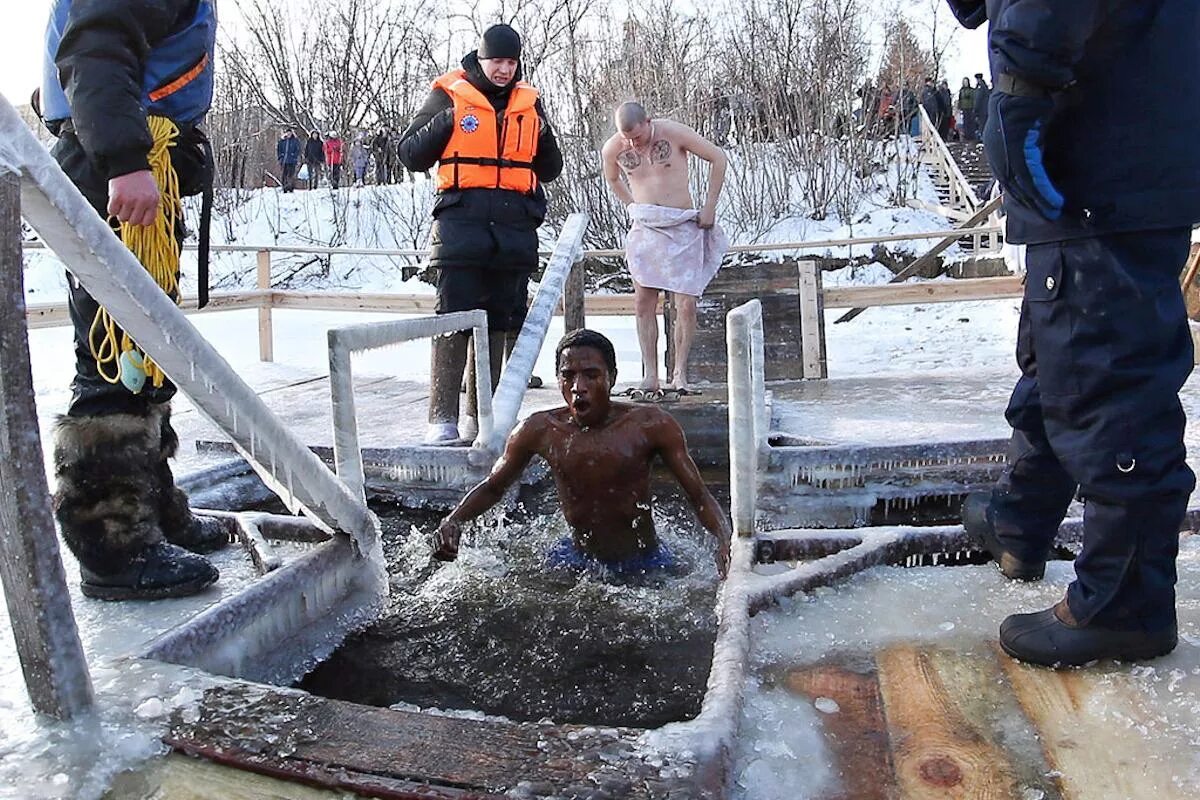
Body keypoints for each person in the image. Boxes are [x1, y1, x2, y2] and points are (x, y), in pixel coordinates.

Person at [948, 0, 1200, 667]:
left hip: (1106, 158)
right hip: (1104, 148)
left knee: (1107, 379)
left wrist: (1022, 89)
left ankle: (1123, 603)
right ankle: (1021, 522)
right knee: (1057, 358)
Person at [40, 0, 229, 600]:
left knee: (147, 359)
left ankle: (152, 509)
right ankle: (110, 544)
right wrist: (124, 160)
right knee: (111, 357)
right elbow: (94, 49)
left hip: (145, 161)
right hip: (117, 170)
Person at [434, 329, 731, 578]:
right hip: (576, 558)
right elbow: (494, 486)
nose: (579, 388)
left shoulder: (651, 425)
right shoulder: (539, 430)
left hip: (645, 561)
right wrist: (454, 520)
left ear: (611, 377)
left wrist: (725, 540)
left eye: (591, 375)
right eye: (569, 376)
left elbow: (699, 495)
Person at [398, 23, 563, 444]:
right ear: (481, 58)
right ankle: (441, 420)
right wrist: (448, 122)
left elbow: (549, 169)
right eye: (497, 61)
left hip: (513, 233)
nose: (504, 70)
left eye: (511, 62)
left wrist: (543, 137)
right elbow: (410, 154)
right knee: (453, 319)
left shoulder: (530, 103)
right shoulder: (449, 94)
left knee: (498, 323)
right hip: (460, 231)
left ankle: (479, 418)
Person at [600, 102, 728, 394]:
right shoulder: (613, 148)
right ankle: (651, 374)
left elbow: (718, 158)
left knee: (686, 303)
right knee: (644, 301)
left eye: (637, 136)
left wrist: (710, 207)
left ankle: (679, 373)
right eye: (626, 137)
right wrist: (632, 204)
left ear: (648, 121)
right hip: (647, 226)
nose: (632, 143)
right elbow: (612, 177)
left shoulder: (672, 132)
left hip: (682, 224)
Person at [277, 128, 300, 192]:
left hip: (292, 160)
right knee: (284, 174)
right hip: (284, 160)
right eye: (288, 133)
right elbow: (279, 149)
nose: (289, 134)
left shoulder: (295, 140)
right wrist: (280, 157)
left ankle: (290, 187)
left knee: (291, 174)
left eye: (290, 133)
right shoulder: (283, 141)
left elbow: (297, 150)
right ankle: (284, 187)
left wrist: (294, 156)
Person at [957, 77, 977, 141]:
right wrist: (959, 107)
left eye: (966, 82)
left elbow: (974, 98)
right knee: (965, 122)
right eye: (964, 82)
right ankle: (966, 135)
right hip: (964, 108)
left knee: (971, 122)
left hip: (970, 107)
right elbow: (960, 99)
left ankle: (971, 135)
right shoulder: (961, 90)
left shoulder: (971, 90)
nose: (966, 83)